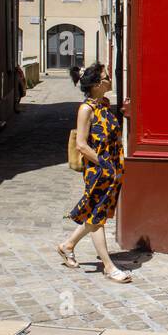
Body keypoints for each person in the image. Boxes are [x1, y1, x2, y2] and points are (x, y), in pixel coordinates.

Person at [57, 61, 131, 282]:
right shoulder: (86, 110)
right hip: (98, 171)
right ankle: (108, 267)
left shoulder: (104, 105)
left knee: (96, 214)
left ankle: (67, 245)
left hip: (112, 170)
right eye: (107, 76)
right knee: (97, 216)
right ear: (98, 84)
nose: (110, 79)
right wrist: (103, 164)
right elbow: (81, 144)